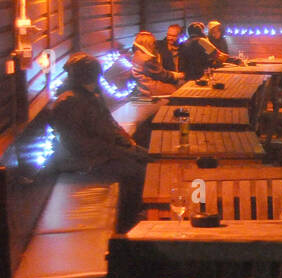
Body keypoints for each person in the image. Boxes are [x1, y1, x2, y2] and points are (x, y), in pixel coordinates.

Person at [47, 53, 150, 232]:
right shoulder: (69, 101)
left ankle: (135, 214)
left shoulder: (88, 95)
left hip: (101, 153)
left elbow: (108, 123)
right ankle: (127, 224)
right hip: (80, 163)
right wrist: (118, 150)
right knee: (136, 170)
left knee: (146, 156)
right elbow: (78, 145)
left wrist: (126, 142)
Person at [130, 30, 182, 96]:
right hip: (149, 86)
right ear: (148, 43)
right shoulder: (147, 59)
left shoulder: (138, 54)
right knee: (177, 90)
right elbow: (161, 74)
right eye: (153, 43)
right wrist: (176, 76)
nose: (154, 45)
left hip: (142, 86)